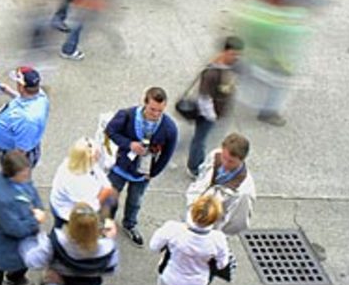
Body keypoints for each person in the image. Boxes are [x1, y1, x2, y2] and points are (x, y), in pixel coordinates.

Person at [103, 87, 178, 246]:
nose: (155, 114)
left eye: (160, 111)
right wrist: (129, 144)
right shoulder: (127, 115)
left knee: (135, 201)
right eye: (152, 109)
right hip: (120, 165)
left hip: (143, 172)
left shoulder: (169, 128)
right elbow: (110, 130)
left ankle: (130, 225)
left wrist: (154, 173)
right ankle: (106, 223)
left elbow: (167, 154)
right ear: (144, 103)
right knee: (110, 197)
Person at [0, 149, 45, 285]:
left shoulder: (21, 180)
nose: (28, 177)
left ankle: (15, 277)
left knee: (23, 257)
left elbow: (32, 191)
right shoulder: (2, 197)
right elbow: (12, 228)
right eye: (24, 174)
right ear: (12, 173)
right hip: (7, 236)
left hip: (26, 228)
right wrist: (35, 220)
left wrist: (38, 207)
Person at [185, 36, 244, 177]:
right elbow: (204, 98)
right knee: (200, 141)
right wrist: (212, 117)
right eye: (233, 54)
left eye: (238, 55)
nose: (236, 57)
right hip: (208, 115)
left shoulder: (232, 67)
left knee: (207, 139)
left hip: (220, 112)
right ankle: (194, 167)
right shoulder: (211, 72)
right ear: (225, 52)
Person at [186, 133, 256, 235]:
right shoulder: (215, 156)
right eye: (224, 157)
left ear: (242, 160)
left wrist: (214, 236)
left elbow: (237, 224)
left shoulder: (244, 192)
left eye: (231, 162)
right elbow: (201, 178)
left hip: (210, 233)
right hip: (193, 216)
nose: (225, 163)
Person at [49, 138, 117, 227]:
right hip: (67, 212)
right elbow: (89, 206)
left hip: (68, 202)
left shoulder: (76, 162)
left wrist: (107, 187)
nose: (99, 155)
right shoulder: (75, 181)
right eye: (97, 153)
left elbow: (100, 175)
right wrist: (104, 193)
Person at [0, 66, 50, 167]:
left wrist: (11, 168)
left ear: (22, 88)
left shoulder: (27, 120)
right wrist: (9, 92)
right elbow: (25, 97)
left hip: (13, 154)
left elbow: (21, 151)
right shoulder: (39, 95)